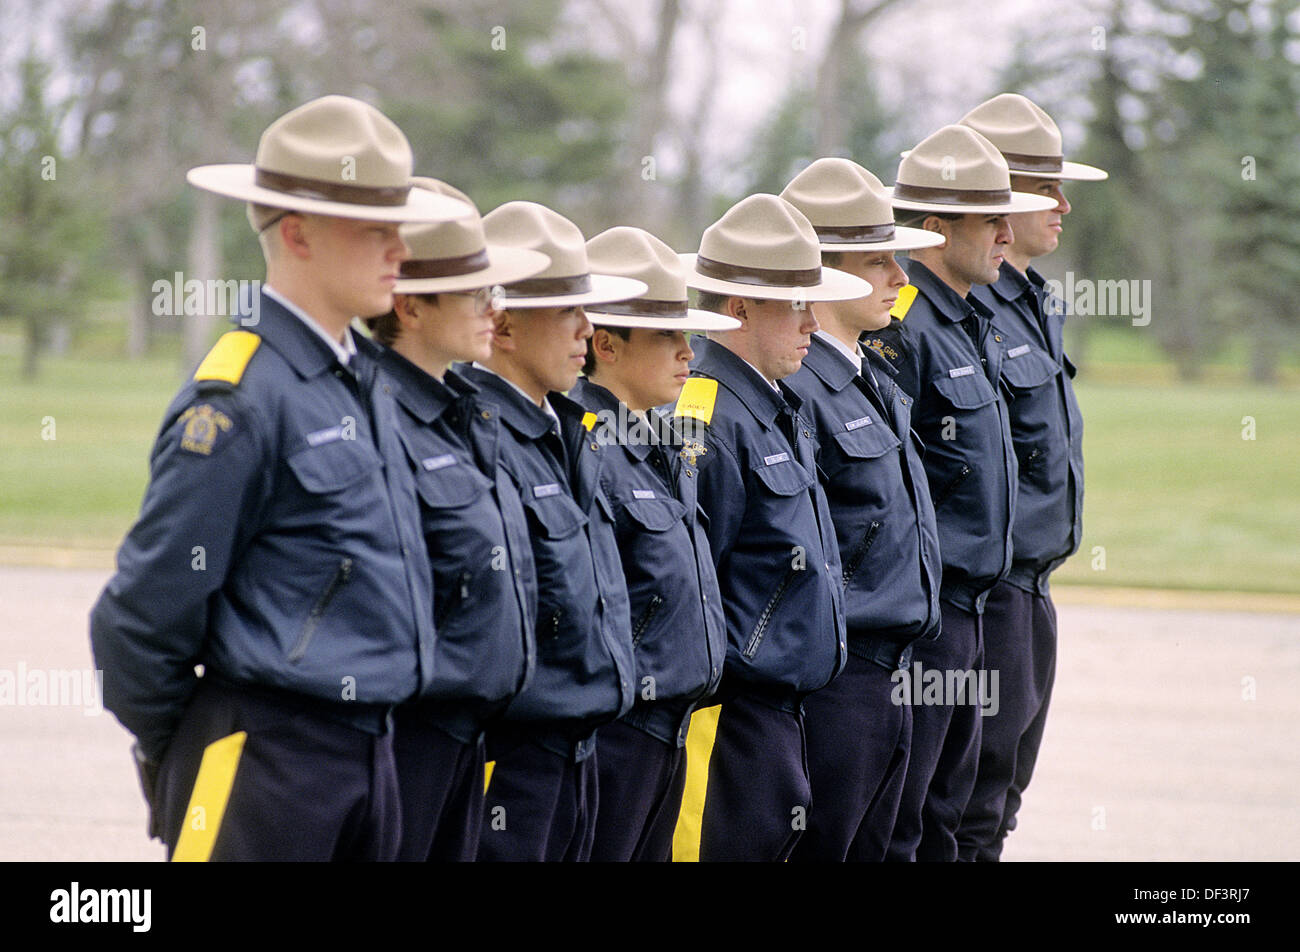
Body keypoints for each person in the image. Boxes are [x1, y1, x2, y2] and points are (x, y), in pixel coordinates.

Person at [88, 95, 474, 861]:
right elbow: (141, 615)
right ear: (296, 231)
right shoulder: (243, 395)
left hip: (372, 757)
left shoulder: (361, 381)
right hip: (267, 763)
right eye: (376, 228)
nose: (400, 249)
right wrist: (191, 747)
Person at [668, 193, 872, 862]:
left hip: (786, 716)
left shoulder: (772, 405)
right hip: (729, 725)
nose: (813, 321)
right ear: (737, 307)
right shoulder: (709, 419)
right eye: (794, 302)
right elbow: (694, 589)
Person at [876, 124, 1056, 861]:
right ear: (932, 227)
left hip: (987, 601)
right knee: (921, 818)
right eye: (990, 218)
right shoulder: (902, 327)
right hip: (938, 612)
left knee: (971, 804)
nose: (1007, 233)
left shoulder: (972, 315)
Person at [362, 177, 550, 861]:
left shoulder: (462, 410)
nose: (492, 309)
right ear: (410, 306)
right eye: (475, 292)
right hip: (410, 733)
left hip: (469, 733)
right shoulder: (377, 413)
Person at [458, 201, 647, 861]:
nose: (587, 331)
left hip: (578, 749)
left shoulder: (560, 431)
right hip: (509, 759)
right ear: (504, 325)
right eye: (568, 311)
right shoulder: (476, 436)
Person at [777, 157, 945, 861]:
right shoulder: (799, 386)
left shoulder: (864, 372)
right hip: (839, 682)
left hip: (895, 671)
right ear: (821, 271)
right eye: (880, 262)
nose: (901, 279)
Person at [956, 93, 1107, 861]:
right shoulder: (964, 305)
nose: (1065, 205)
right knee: (967, 798)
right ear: (1002, 195)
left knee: (1002, 792)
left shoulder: (1028, 302)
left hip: (1030, 586)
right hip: (986, 593)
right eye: (1047, 188)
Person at [568, 225, 737, 861]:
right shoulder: (584, 448)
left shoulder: (658, 440)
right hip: (619, 733)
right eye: (666, 335)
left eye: (687, 334)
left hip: (668, 728)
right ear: (606, 344)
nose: (687, 352)